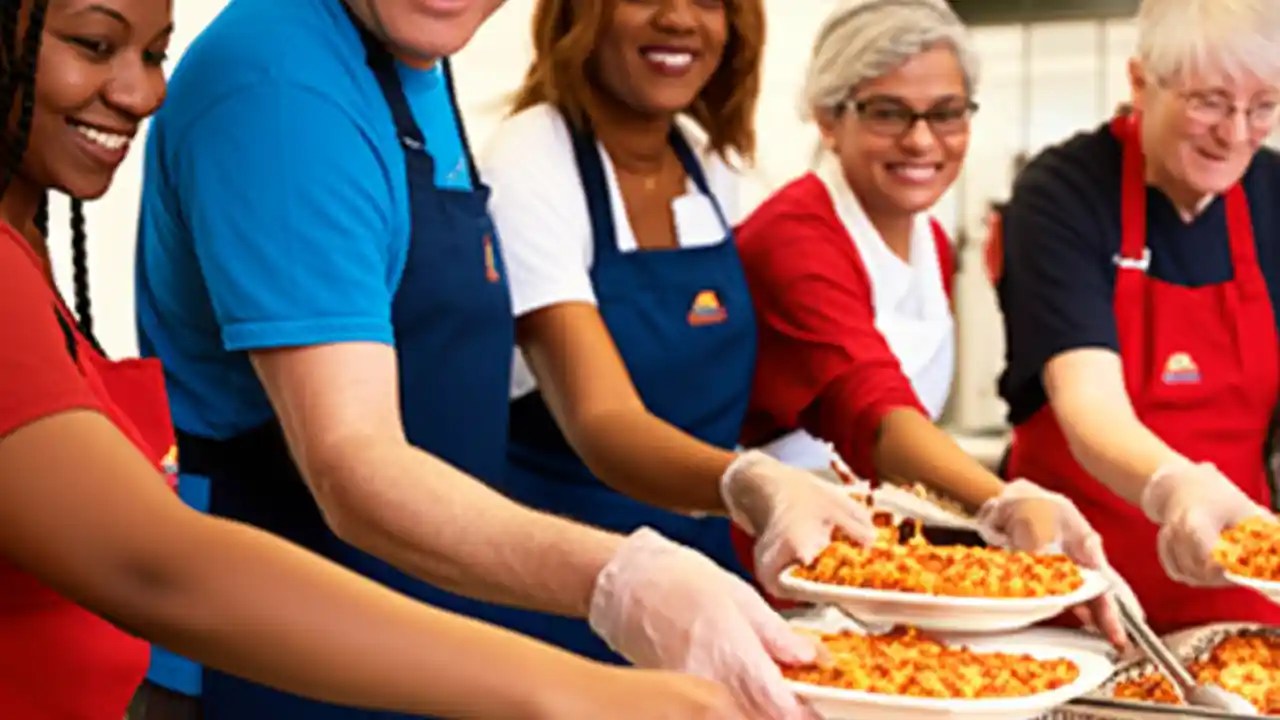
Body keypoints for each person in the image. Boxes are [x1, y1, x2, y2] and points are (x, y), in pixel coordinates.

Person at [0, 1, 746, 719]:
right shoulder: (282, 91)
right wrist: (608, 616)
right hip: (271, 660)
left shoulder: (412, 53)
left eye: (155, 53)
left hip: (404, 630)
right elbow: (168, 562)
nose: (141, 93)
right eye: (95, 45)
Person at [475, 0, 876, 665]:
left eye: (708, 1)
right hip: (568, 589)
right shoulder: (530, 158)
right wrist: (751, 482)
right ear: (581, 14)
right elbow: (600, 419)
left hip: (706, 580)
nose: (679, 19)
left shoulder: (714, 166)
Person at [729, 0, 1126, 644]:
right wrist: (1004, 500)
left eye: (946, 113)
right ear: (830, 119)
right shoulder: (793, 234)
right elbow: (868, 407)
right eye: (888, 112)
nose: (921, 140)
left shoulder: (931, 240)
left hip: (865, 575)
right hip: (771, 574)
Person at [996, 0, 1280, 634]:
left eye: (1262, 105)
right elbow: (1087, 402)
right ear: (1139, 82)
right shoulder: (1063, 193)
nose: (1236, 133)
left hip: (1237, 598)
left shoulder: (1274, 198)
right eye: (1208, 100)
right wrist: (1176, 487)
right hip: (1078, 594)